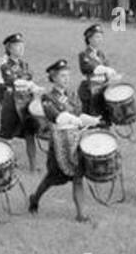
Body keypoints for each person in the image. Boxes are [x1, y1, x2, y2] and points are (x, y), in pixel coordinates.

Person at [26, 59, 91, 221]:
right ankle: (35, 198)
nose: (66, 78)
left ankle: (81, 215)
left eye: (68, 75)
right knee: (51, 178)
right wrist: (75, 120)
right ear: (54, 78)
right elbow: (57, 117)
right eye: (62, 76)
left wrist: (92, 120)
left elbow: (79, 113)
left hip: (75, 139)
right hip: (59, 141)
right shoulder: (48, 97)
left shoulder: (73, 94)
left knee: (77, 177)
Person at [0, 32, 44, 173]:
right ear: (9, 48)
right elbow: (13, 81)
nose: (20, 48)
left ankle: (33, 167)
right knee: (7, 135)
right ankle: (5, 164)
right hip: (12, 101)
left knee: (30, 134)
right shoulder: (5, 66)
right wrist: (30, 85)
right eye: (17, 46)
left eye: (22, 45)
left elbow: (29, 78)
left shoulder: (25, 64)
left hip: (25, 101)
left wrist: (33, 88)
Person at [77, 23, 113, 120]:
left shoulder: (101, 54)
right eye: (97, 37)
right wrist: (105, 69)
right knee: (91, 118)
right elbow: (89, 68)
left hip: (102, 90)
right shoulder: (84, 54)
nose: (100, 39)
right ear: (89, 39)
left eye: (101, 37)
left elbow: (108, 71)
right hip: (89, 90)